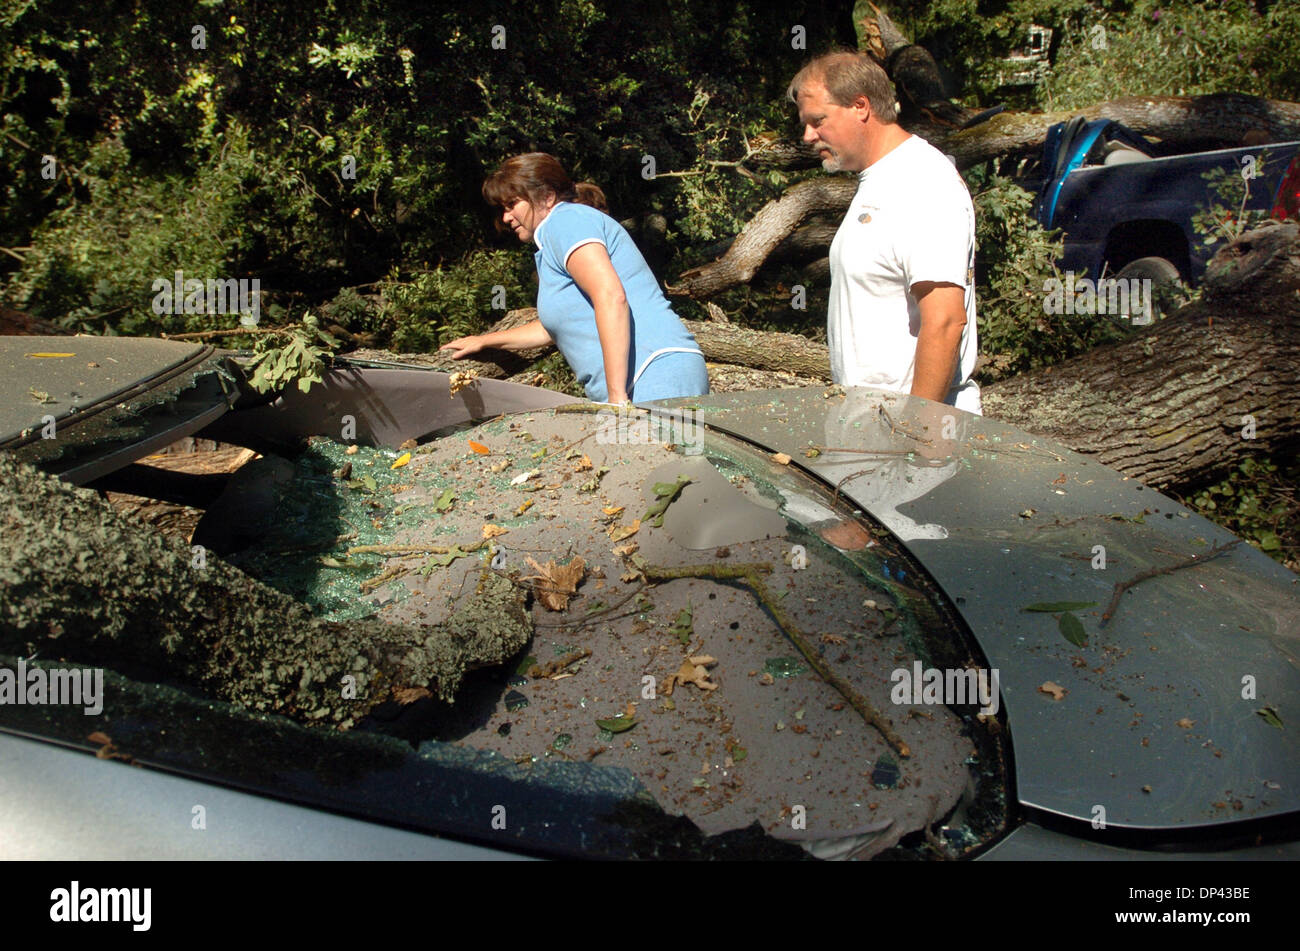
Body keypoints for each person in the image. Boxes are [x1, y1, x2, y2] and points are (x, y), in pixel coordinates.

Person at [788, 52, 981, 415]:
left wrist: (915, 433)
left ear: (860, 106)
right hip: (869, 429)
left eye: (817, 120)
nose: (808, 136)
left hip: (910, 436)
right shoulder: (879, 180)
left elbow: (944, 320)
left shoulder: (922, 182)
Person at [441, 153, 708, 405]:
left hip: (655, 374)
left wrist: (617, 398)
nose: (506, 217)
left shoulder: (564, 222)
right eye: (502, 208)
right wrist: (486, 340)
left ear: (546, 197)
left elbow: (611, 296)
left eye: (512, 205)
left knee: (663, 455)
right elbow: (553, 328)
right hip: (641, 383)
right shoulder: (554, 240)